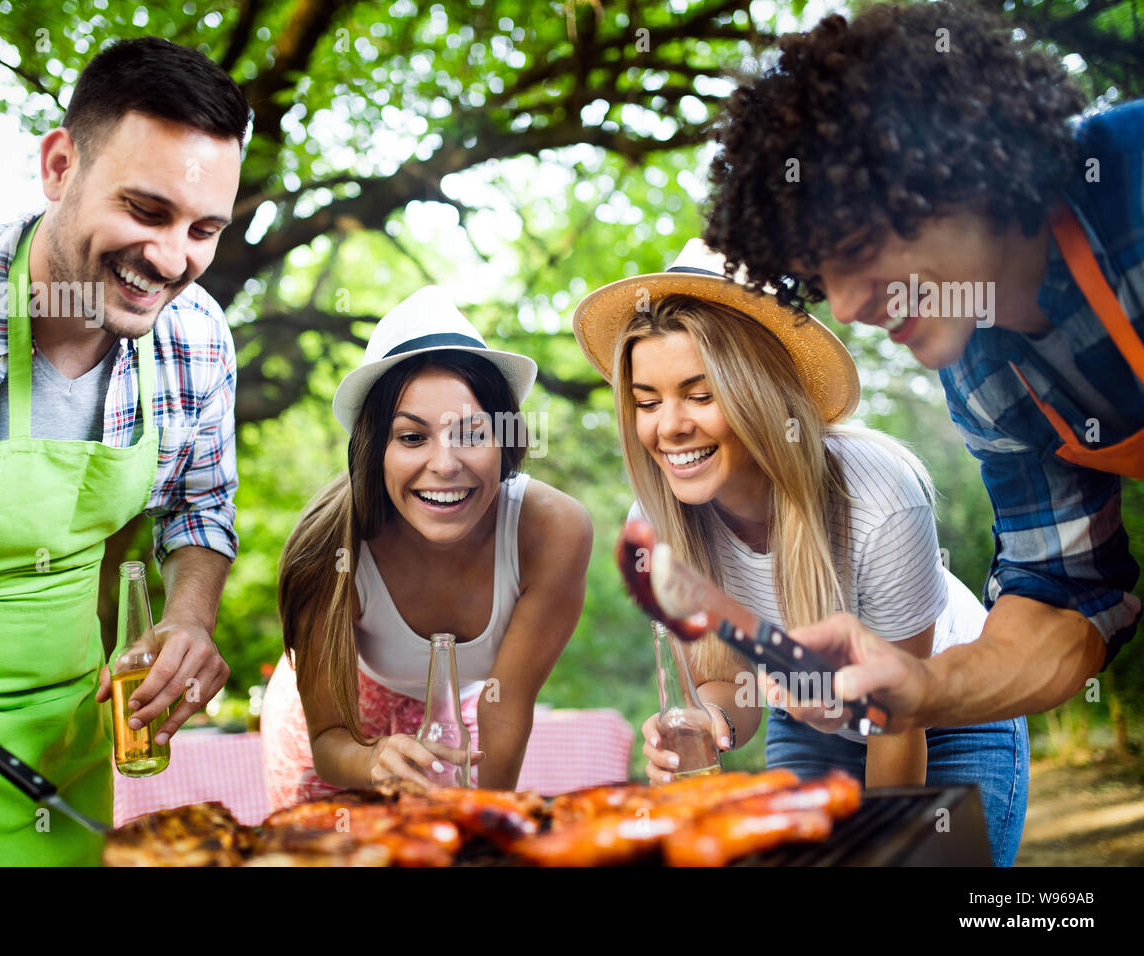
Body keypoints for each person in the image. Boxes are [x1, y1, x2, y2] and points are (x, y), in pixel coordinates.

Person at [0, 37, 247, 865]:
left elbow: (200, 507)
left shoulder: (199, 338)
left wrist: (188, 618)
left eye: (204, 229)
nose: (172, 260)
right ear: (61, 165)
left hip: (66, 774)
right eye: (146, 211)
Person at [699, 1, 1142, 736]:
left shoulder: (1131, 182)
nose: (841, 305)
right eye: (818, 274)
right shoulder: (982, 375)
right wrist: (925, 684)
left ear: (957, 163)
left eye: (856, 247)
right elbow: (1069, 595)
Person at [573, 239, 1028, 865]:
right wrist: (711, 722)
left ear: (759, 392)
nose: (667, 426)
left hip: (944, 716)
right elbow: (727, 685)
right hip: (808, 717)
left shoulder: (880, 495)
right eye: (647, 402)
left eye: (700, 395)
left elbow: (899, 718)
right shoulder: (654, 529)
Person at [261, 286, 591, 807]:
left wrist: (489, 828)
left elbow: (503, 707)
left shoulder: (553, 531)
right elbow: (329, 742)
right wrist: (372, 759)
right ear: (374, 450)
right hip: (339, 735)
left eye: (471, 434)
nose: (444, 464)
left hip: (452, 718)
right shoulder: (329, 548)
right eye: (412, 438)